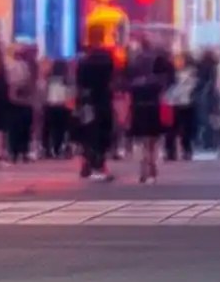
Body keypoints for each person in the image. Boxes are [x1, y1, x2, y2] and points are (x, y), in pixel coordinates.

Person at [125, 38, 170, 183]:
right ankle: (152, 167)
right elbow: (167, 82)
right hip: (153, 105)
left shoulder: (133, 65)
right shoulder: (157, 71)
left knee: (140, 139)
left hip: (138, 105)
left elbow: (125, 83)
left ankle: (143, 169)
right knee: (153, 139)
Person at [76, 28, 116, 181]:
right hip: (104, 98)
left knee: (87, 132)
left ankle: (87, 163)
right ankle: (100, 165)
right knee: (103, 132)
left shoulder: (84, 59)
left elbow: (79, 82)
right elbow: (113, 77)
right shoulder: (107, 58)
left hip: (87, 100)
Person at [6, 45, 37, 163]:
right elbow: (13, 84)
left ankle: (20, 152)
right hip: (19, 101)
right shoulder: (18, 66)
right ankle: (18, 152)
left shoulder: (23, 66)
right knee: (19, 128)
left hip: (21, 101)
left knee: (21, 128)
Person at [164, 54, 197, 161]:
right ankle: (171, 151)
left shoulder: (191, 73)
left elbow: (194, 86)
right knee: (172, 129)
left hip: (184, 102)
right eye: (177, 60)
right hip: (174, 103)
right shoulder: (171, 73)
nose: (178, 62)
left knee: (184, 129)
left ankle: (184, 150)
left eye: (180, 60)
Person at [43, 60, 73, 159]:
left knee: (49, 129)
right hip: (62, 106)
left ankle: (47, 149)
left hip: (50, 105)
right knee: (60, 130)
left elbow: (45, 92)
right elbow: (69, 94)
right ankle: (57, 148)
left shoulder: (49, 79)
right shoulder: (67, 80)